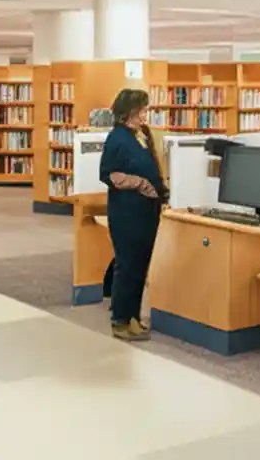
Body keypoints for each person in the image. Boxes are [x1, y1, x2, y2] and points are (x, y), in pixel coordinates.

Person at [98, 89, 167, 342]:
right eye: (143, 110)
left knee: (140, 266)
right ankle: (120, 320)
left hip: (147, 211)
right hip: (127, 212)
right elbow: (107, 173)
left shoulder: (141, 136)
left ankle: (134, 317)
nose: (146, 114)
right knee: (127, 266)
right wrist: (139, 183)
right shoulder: (117, 138)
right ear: (129, 111)